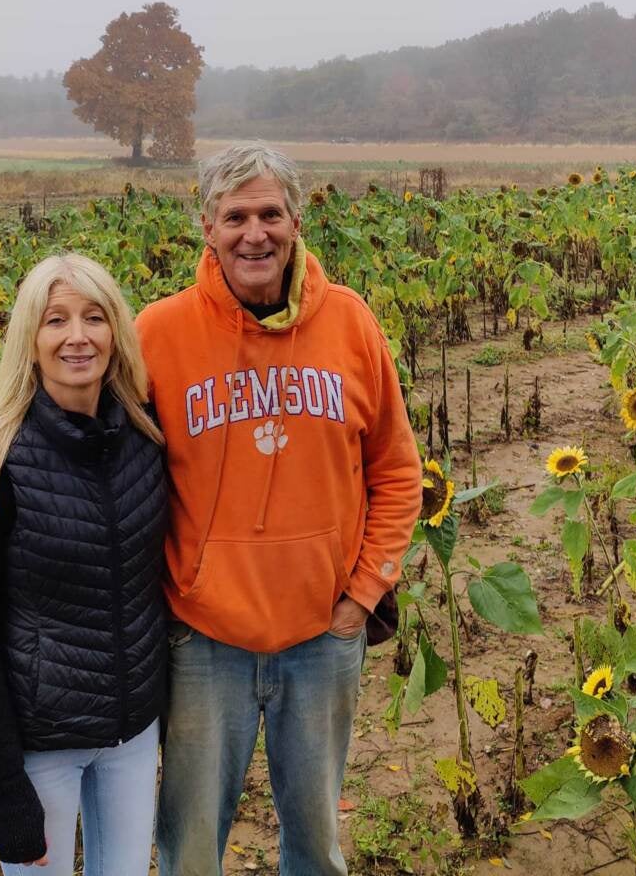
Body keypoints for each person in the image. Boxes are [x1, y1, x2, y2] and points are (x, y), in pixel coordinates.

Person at [137, 142, 422, 876]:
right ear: (207, 226)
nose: (254, 234)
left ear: (297, 221)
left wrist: (364, 594)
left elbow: (397, 470)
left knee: (316, 845)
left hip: (323, 635)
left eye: (270, 214)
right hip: (204, 640)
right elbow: (119, 475)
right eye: (235, 217)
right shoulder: (158, 334)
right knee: (189, 846)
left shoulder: (350, 323)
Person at [0, 253, 167, 875]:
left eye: (94, 317)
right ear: (30, 339)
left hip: (131, 735)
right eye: (56, 320)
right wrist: (6, 787)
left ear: (116, 332)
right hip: (41, 744)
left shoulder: (146, 438)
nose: (77, 336)